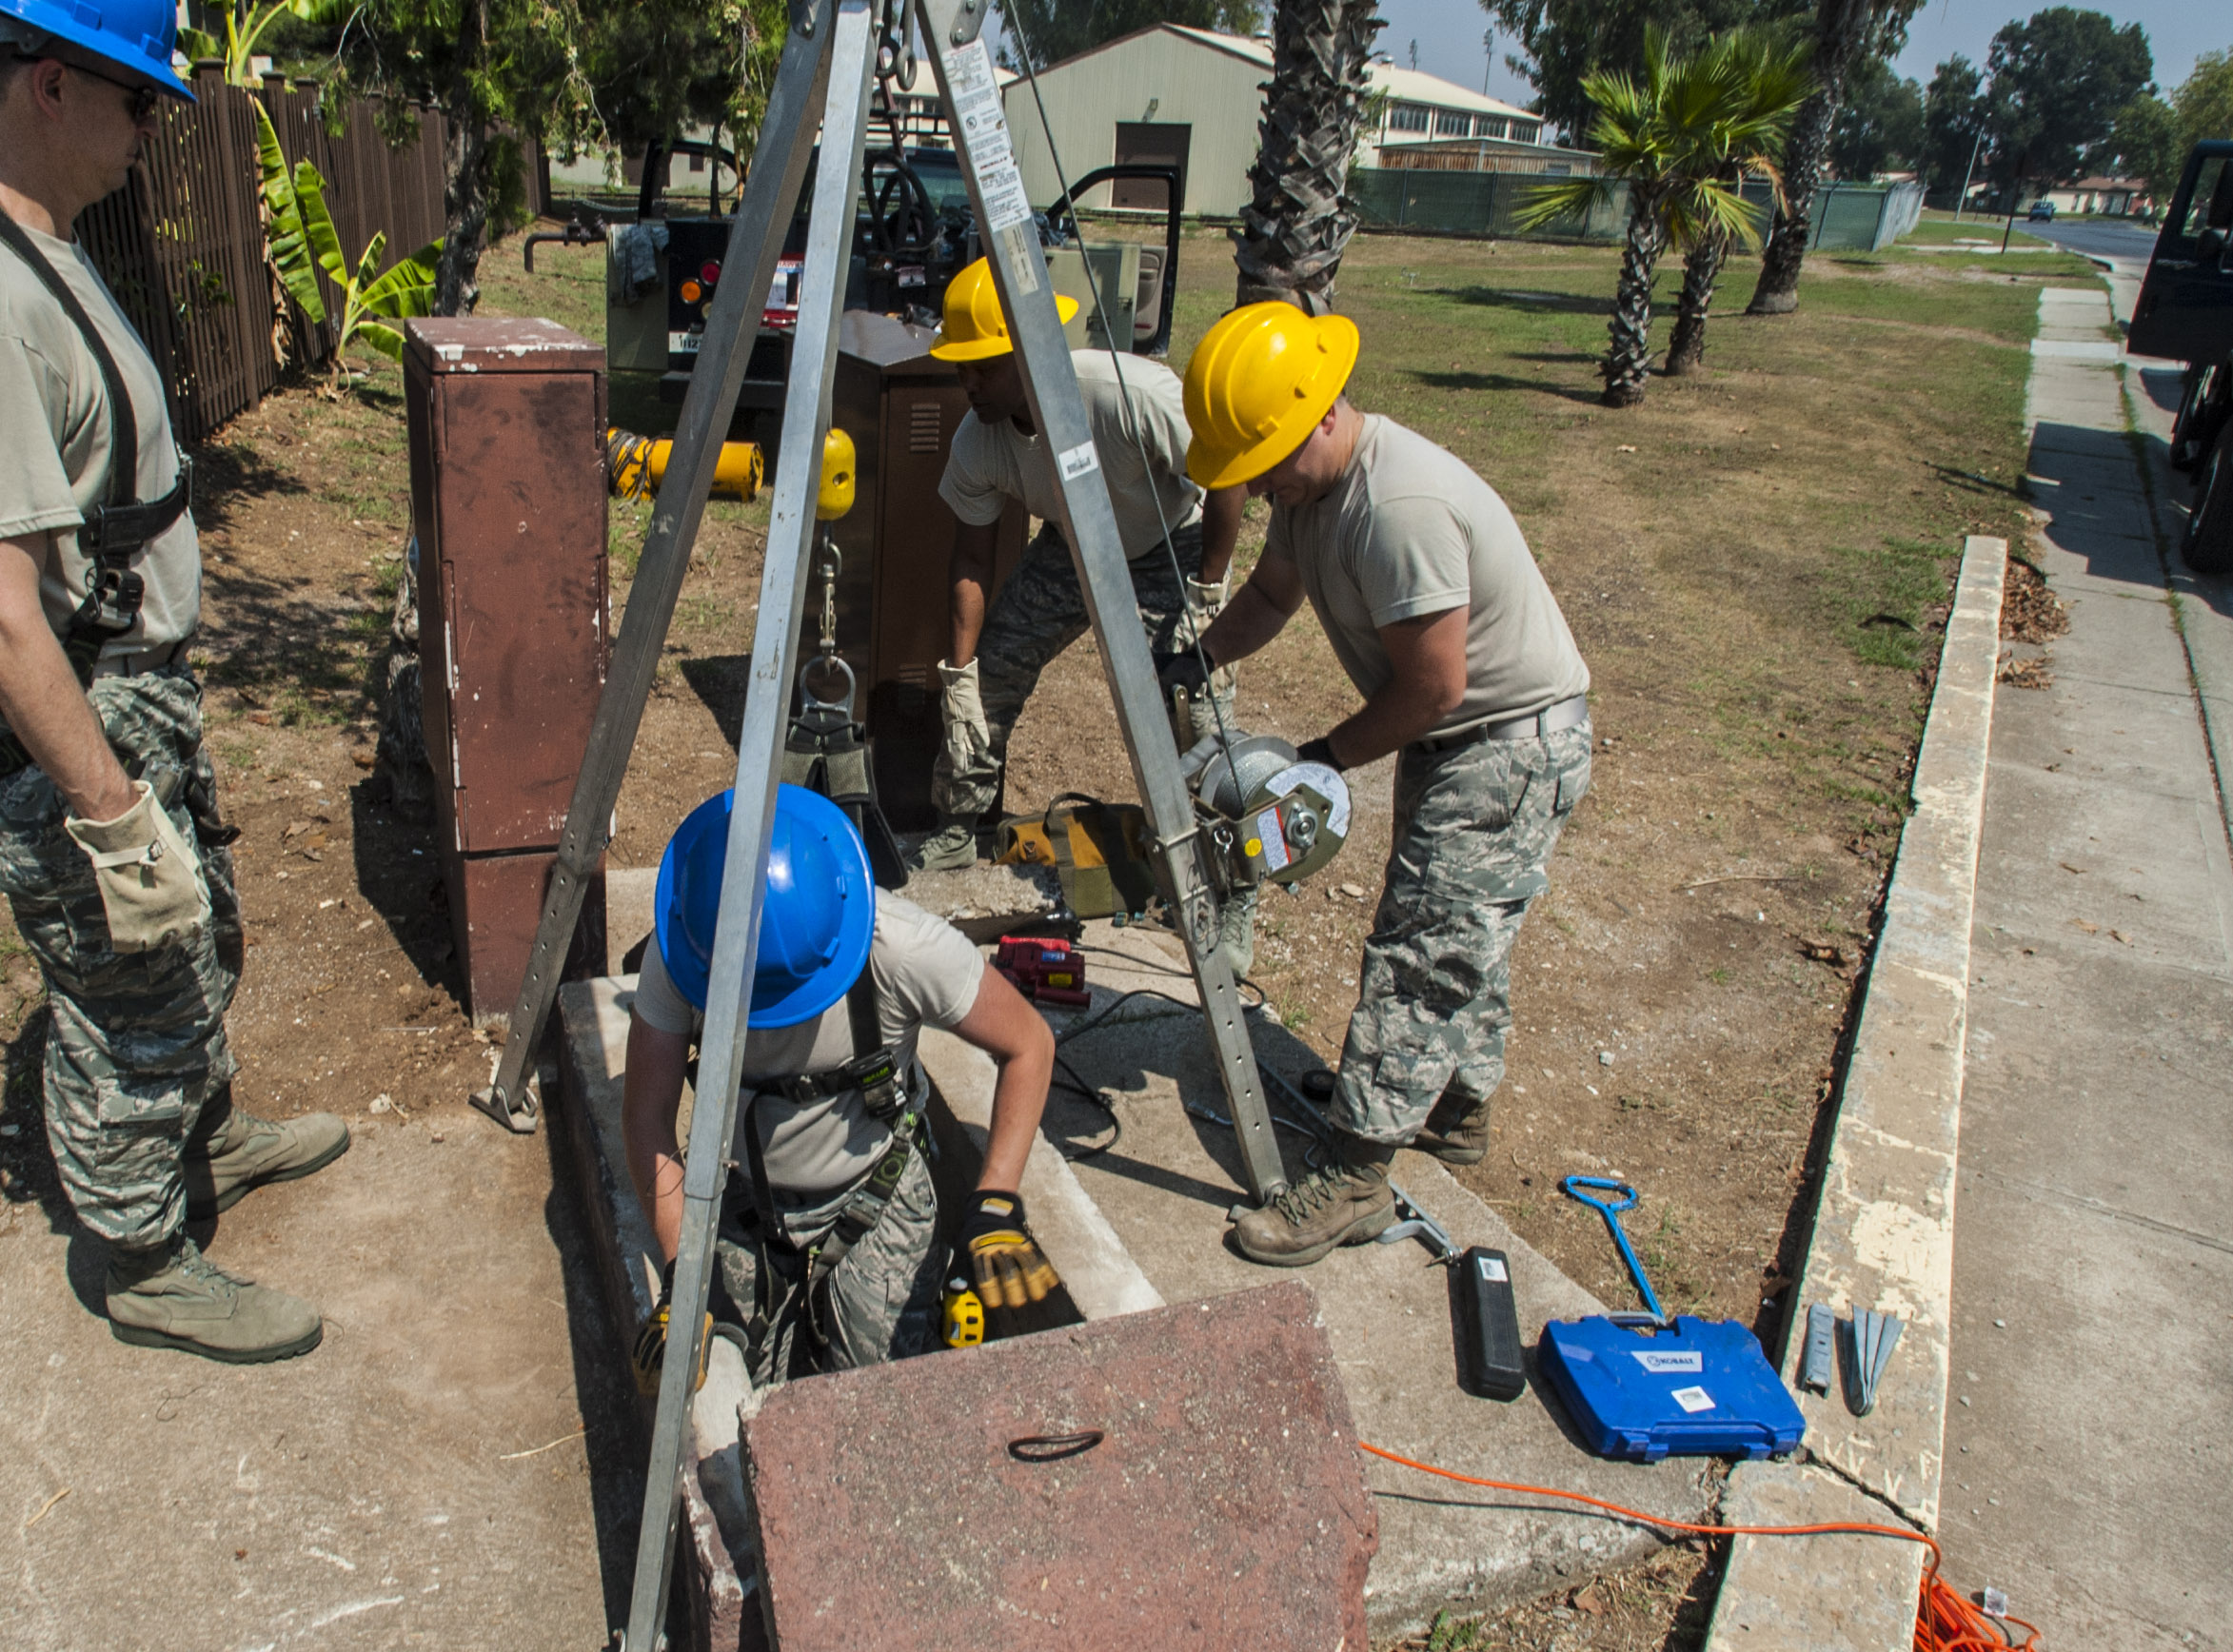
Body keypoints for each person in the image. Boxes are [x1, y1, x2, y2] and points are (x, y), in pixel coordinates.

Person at [0, 0, 344, 1363]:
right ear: (50, 81)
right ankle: (140, 1253)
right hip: (78, 696)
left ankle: (199, 1138)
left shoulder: (31, 243)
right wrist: (107, 813)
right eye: (138, 97)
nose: (152, 124)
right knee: (130, 965)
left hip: (134, 682)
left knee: (195, 940)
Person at [1163, 303, 1594, 1267]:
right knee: (1458, 929)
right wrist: (1198, 660)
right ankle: (1453, 1106)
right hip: (1460, 741)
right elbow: (1276, 593)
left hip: (1503, 743)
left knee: (1422, 946)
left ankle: (1356, 1175)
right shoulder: (1310, 493)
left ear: (1321, 412)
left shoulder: (1396, 507)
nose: (1261, 479)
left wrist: (1322, 758)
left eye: (1268, 454)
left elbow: (1435, 686)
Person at [622, 782, 1062, 1384]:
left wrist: (995, 1199)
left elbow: (1029, 1044)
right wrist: (685, 1271)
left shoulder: (901, 947)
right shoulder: (688, 949)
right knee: (736, 1396)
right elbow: (647, 1115)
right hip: (750, 1197)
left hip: (875, 1192)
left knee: (882, 1399)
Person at [911, 258, 1258, 973]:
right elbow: (971, 559)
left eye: (982, 366)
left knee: (1189, 702)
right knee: (996, 663)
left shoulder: (1124, 396)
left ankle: (1225, 884)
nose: (967, 384)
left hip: (1172, 544)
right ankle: (959, 820)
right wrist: (960, 675)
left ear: (1030, 351)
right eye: (960, 369)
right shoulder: (979, 439)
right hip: (1074, 542)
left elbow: (1225, 476)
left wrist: (1207, 593)